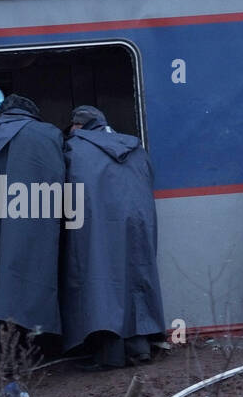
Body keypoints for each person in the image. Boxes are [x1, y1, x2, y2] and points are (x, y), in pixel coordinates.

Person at [61, 104, 166, 369]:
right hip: (138, 222)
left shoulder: (76, 148)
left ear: (78, 126)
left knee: (101, 283)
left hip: (97, 223)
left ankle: (110, 355)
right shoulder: (135, 147)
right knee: (135, 278)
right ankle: (139, 347)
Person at [0, 94, 65, 367]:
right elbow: (59, 182)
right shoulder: (46, 135)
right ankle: (31, 355)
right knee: (31, 278)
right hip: (34, 217)